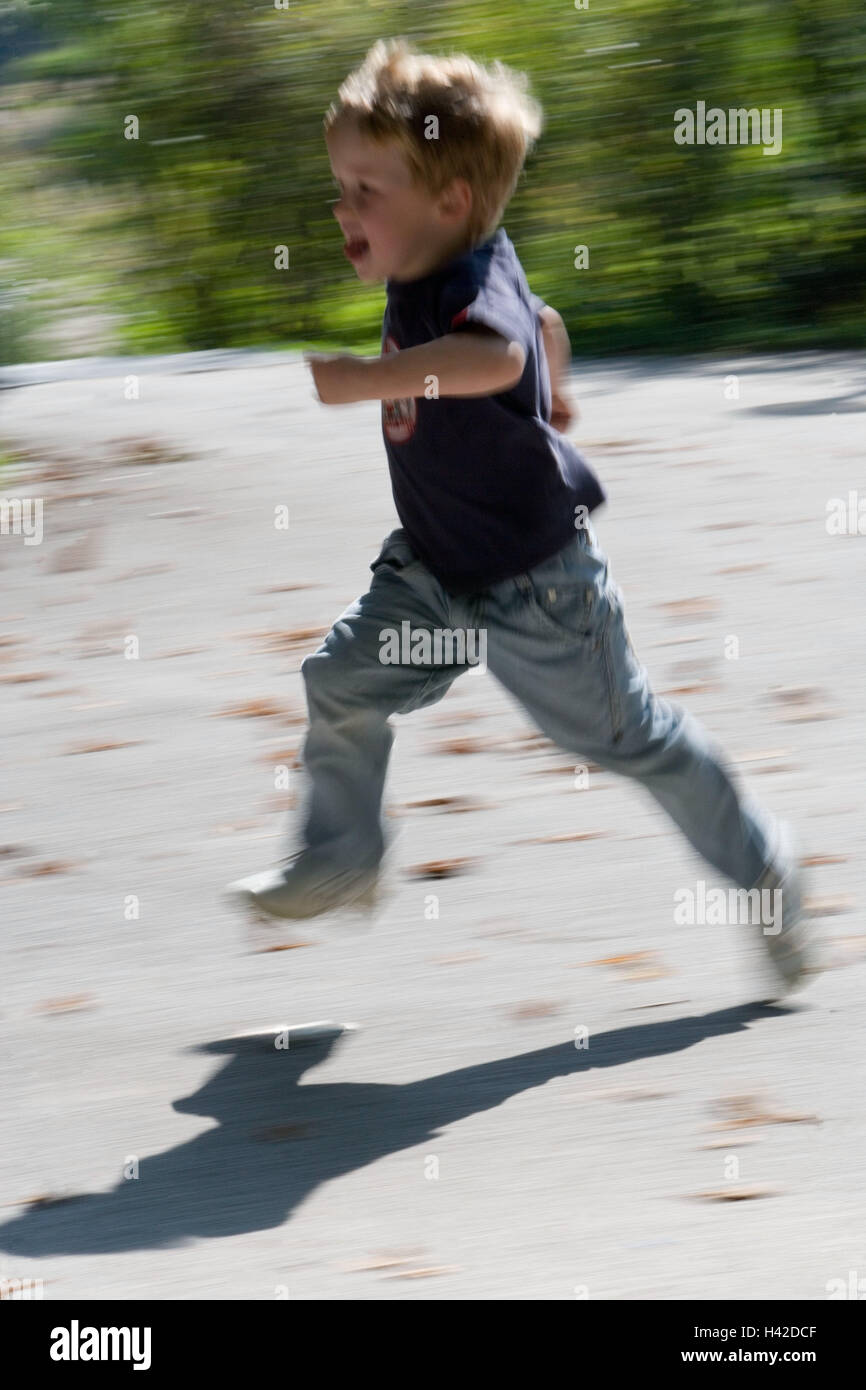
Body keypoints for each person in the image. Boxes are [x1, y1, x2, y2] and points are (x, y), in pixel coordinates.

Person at [227, 38, 814, 996]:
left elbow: (499, 355)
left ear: (449, 201)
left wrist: (371, 380)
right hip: (434, 574)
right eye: (339, 187)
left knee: (632, 742)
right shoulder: (451, 268)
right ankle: (342, 853)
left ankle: (763, 875)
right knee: (340, 678)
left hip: (539, 591)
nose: (341, 210)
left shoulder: (461, 285)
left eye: (366, 189)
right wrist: (562, 396)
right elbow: (541, 326)